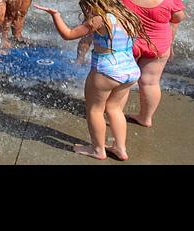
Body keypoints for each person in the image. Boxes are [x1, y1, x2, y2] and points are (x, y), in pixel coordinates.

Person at [33, 1, 152, 161]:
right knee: (115, 109)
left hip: (107, 71)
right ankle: (120, 148)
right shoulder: (128, 16)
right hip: (130, 70)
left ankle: (97, 149)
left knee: (95, 110)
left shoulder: (100, 19)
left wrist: (56, 15)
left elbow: (68, 34)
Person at [121, 0, 185, 127]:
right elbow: (178, 17)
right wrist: (170, 44)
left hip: (129, 43)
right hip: (158, 44)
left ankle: (115, 114)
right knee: (150, 82)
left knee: (124, 81)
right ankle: (145, 118)